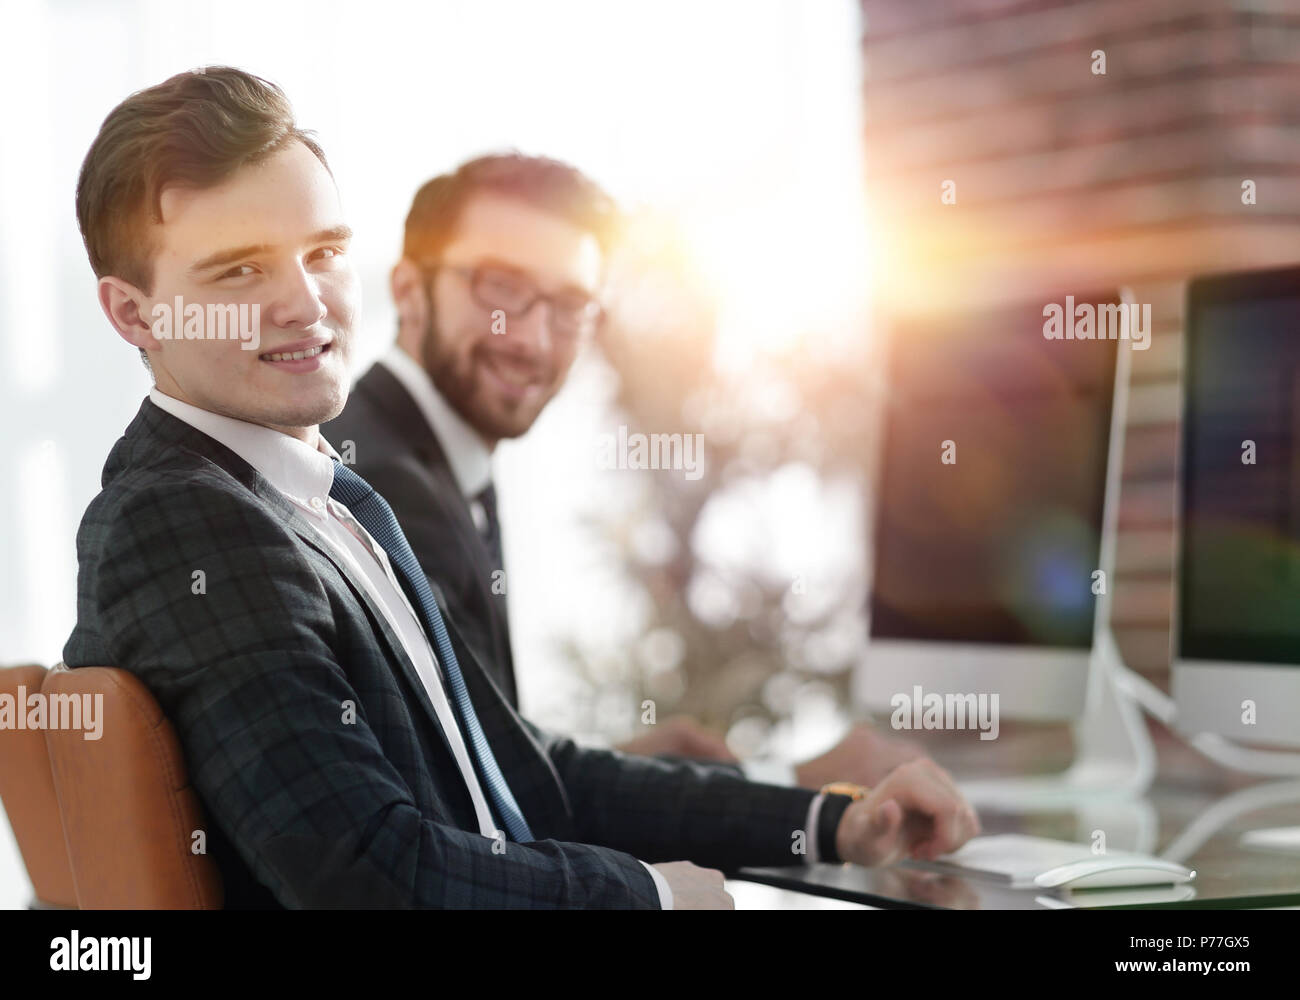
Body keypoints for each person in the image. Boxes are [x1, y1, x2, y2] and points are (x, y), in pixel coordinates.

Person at [64, 66, 979, 909]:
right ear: (133, 313)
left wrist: (826, 821)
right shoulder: (185, 521)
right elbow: (366, 878)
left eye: (323, 252)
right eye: (240, 270)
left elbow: (524, 778)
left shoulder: (316, 500)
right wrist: (652, 899)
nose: (306, 303)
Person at [323, 153, 925, 787]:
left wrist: (633, 767)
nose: (532, 339)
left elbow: (490, 771)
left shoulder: (431, 459)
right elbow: (506, 803)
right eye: (499, 286)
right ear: (408, 290)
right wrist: (795, 785)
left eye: (570, 305)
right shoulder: (387, 486)